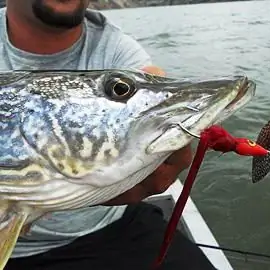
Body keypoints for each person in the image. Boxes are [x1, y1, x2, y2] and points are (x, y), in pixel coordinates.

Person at [1, 1, 217, 269]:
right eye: (119, 90)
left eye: (120, 89)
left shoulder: (116, 47)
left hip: (112, 229)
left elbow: (150, 84)